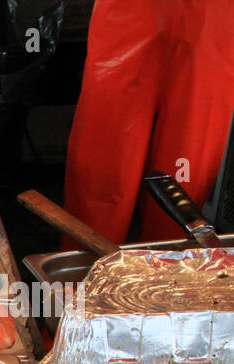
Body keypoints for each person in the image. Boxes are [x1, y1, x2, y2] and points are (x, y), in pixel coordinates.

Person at [63, 0, 234, 244]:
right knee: (104, 161)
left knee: (184, 179)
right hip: (129, 14)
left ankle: (173, 275)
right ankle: (83, 270)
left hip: (214, 19)